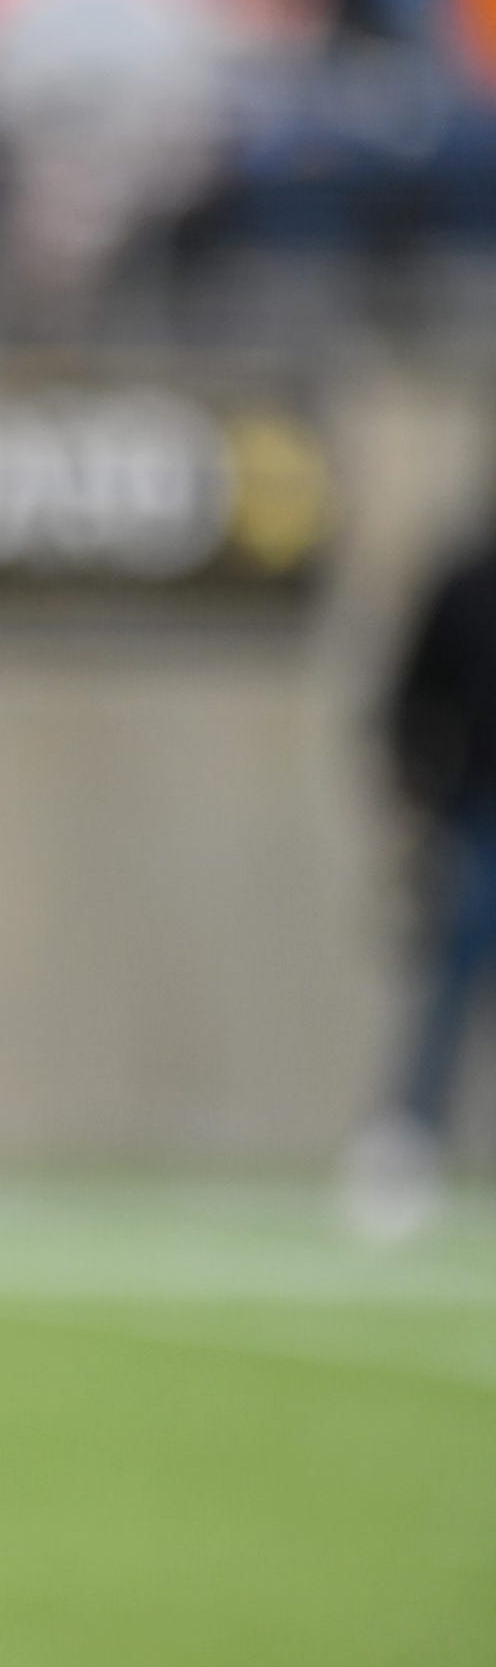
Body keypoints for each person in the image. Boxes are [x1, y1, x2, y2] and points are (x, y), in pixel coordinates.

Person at [346, 522, 496, 1235]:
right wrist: (418, 798)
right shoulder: (466, 584)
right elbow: (411, 695)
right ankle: (407, 1144)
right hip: (479, 815)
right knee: (451, 983)